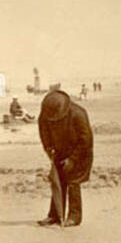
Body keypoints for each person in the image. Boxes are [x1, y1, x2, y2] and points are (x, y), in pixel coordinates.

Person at [37, 84, 92, 227]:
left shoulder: (79, 114)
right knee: (58, 181)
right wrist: (49, 149)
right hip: (59, 151)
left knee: (73, 182)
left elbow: (86, 141)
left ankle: (74, 216)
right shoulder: (46, 113)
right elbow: (44, 134)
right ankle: (55, 215)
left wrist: (72, 159)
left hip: (80, 152)